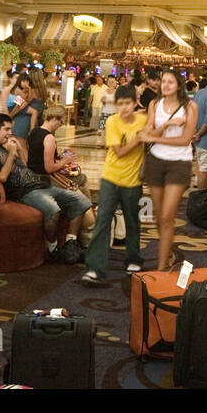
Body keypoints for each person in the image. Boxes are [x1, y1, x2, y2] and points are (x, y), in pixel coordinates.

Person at [0, 112, 92, 265]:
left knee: (81, 200)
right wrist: (12, 154)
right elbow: (3, 177)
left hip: (40, 184)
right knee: (53, 210)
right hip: (24, 192)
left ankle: (70, 244)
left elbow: (26, 167)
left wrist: (18, 151)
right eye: (6, 129)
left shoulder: (7, 147)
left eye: (10, 129)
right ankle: (53, 250)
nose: (10, 133)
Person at [83, 85, 148, 285]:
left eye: (127, 103)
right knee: (102, 220)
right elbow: (119, 152)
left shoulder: (144, 120)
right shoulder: (112, 121)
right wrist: (138, 139)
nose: (124, 108)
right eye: (120, 104)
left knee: (132, 220)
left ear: (134, 103)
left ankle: (133, 259)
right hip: (111, 177)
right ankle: (95, 268)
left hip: (132, 181)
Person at [139, 69, 198, 270]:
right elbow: (149, 130)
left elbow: (185, 140)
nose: (165, 85)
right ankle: (169, 252)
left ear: (179, 85)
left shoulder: (190, 106)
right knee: (158, 215)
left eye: (170, 82)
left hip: (179, 163)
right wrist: (165, 126)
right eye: (163, 81)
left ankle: (161, 268)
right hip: (156, 161)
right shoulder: (154, 104)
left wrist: (154, 137)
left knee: (167, 216)